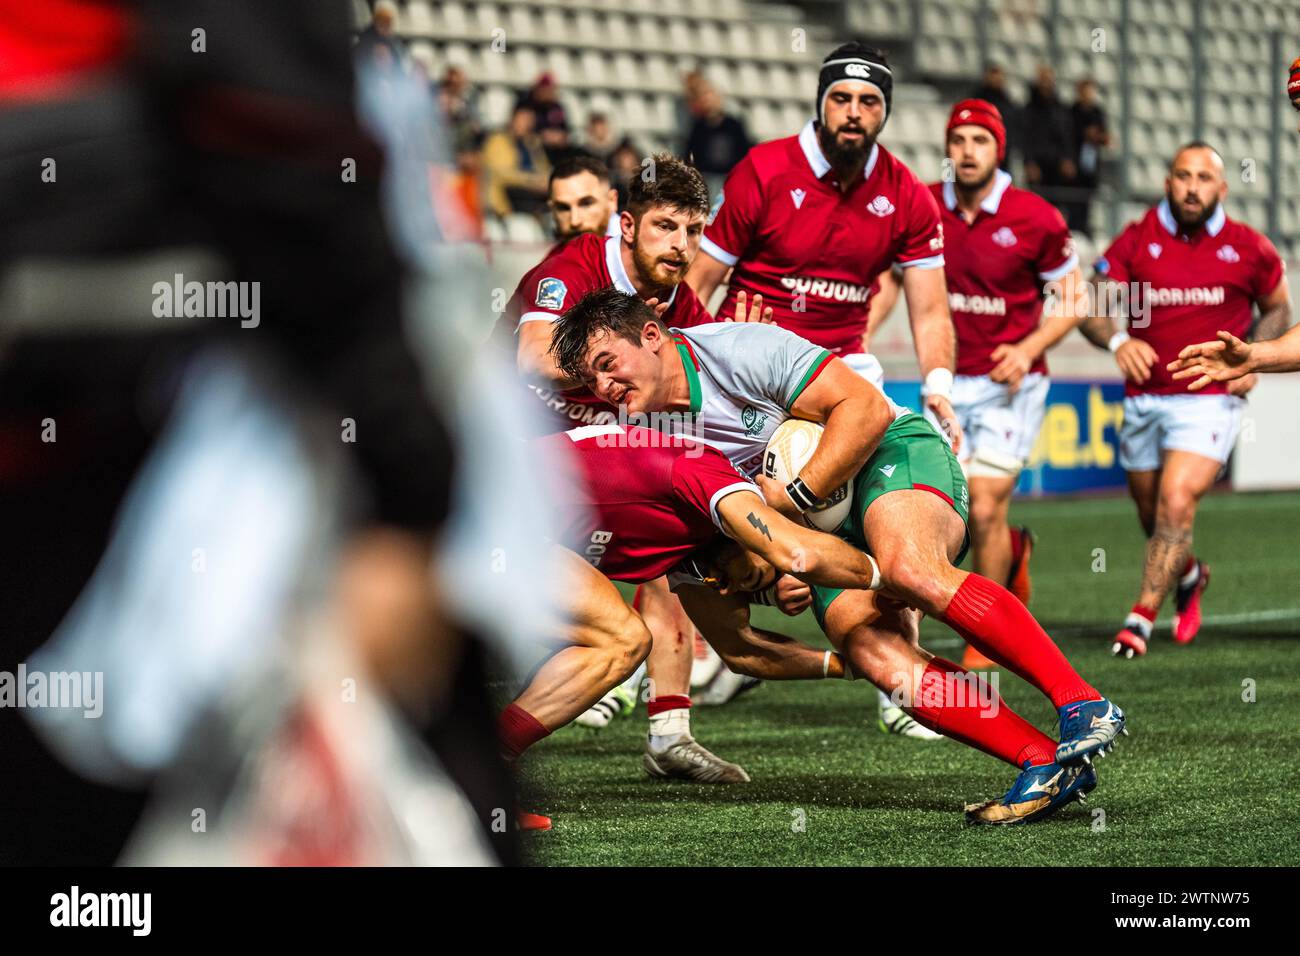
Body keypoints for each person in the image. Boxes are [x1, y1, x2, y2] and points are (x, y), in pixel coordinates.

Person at [551, 290, 1129, 824]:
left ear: (652, 335)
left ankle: (1083, 702)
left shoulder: (737, 349)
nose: (604, 388)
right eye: (590, 380)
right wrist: (777, 570)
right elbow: (735, 642)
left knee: (908, 568)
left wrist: (794, 504)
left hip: (888, 455)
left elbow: (867, 410)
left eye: (608, 364)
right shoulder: (647, 445)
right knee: (874, 653)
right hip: (819, 529)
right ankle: (1042, 763)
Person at [685, 42, 961, 738]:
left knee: (886, 519)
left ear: (885, 114)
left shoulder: (906, 193)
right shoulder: (765, 170)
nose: (853, 113)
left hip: (841, 378)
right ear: (820, 100)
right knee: (705, 530)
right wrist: (693, 360)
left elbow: (930, 307)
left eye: (869, 103)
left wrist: (939, 387)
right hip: (756, 378)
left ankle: (901, 679)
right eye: (842, 98)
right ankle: (692, 683)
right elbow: (699, 281)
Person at [492, 154, 768, 782]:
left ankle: (669, 733)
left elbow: (698, 399)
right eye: (666, 227)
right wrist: (622, 375)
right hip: (509, 452)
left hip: (586, 464)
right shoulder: (575, 265)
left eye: (694, 231)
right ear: (626, 226)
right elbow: (533, 360)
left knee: (674, 543)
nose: (682, 246)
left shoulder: (683, 306)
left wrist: (744, 353)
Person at [504, 421, 893, 827]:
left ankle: (476, 772)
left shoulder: (709, 555)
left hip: (500, 517)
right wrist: (892, 577)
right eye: (753, 582)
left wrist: (850, 666)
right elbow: (798, 550)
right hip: (491, 504)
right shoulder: (710, 478)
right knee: (622, 639)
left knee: (604, 638)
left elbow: (742, 652)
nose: (727, 590)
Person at [1078, 142, 1291, 658]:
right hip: (1146, 398)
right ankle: (1191, 573)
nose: (1192, 187)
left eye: (1203, 178)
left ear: (1222, 187)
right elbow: (1089, 306)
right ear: (1167, 182)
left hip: (1210, 398)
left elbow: (1278, 310)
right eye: (1182, 176)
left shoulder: (1249, 247)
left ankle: (1142, 615)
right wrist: (1118, 341)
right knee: (1153, 517)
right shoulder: (1136, 239)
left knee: (1177, 500)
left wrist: (1253, 359)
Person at [927, 99, 1086, 668]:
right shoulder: (924, 205)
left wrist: (1027, 349)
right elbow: (898, 279)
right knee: (937, 509)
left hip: (1010, 387)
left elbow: (1075, 298)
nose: (967, 151)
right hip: (942, 381)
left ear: (1000, 149)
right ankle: (1009, 560)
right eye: (958, 139)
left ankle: (982, 637)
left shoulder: (1036, 216)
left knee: (986, 510)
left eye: (980, 140)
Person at [684, 82, 753, 199]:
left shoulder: (733, 125)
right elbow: (690, 153)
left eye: (711, 97)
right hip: (706, 178)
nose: (709, 102)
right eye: (705, 98)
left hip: (729, 177)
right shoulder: (698, 126)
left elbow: (743, 150)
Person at [482, 104, 550, 219]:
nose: (527, 124)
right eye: (523, 120)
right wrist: (531, 181)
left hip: (534, 192)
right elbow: (501, 174)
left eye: (530, 121)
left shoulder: (532, 143)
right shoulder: (497, 141)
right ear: (512, 119)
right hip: (511, 194)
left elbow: (543, 168)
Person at [1022, 66, 1075, 211]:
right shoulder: (1029, 110)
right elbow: (1026, 138)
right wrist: (1029, 162)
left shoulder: (1061, 109)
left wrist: (1068, 158)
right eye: (1043, 80)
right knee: (1036, 207)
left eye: (1048, 80)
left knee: (1057, 208)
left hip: (1057, 166)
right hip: (1037, 166)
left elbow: (1066, 136)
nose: (1046, 84)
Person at [1067, 78, 1111, 235]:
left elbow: (1104, 135)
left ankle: (1084, 228)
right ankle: (1074, 228)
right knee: (1073, 198)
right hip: (1075, 160)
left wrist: (1099, 137)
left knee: (1088, 197)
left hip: (1091, 161)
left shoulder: (1097, 112)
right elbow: (1068, 136)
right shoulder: (1072, 111)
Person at [546, 155, 620, 242]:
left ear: (612, 201)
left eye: (586, 204)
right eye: (563, 208)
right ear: (552, 210)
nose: (575, 221)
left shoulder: (633, 250)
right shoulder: (555, 253)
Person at [970, 63, 1020, 170]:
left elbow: (1011, 128)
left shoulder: (1008, 102)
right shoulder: (976, 101)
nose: (996, 78)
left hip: (1002, 155)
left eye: (999, 74)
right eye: (993, 73)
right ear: (986, 77)